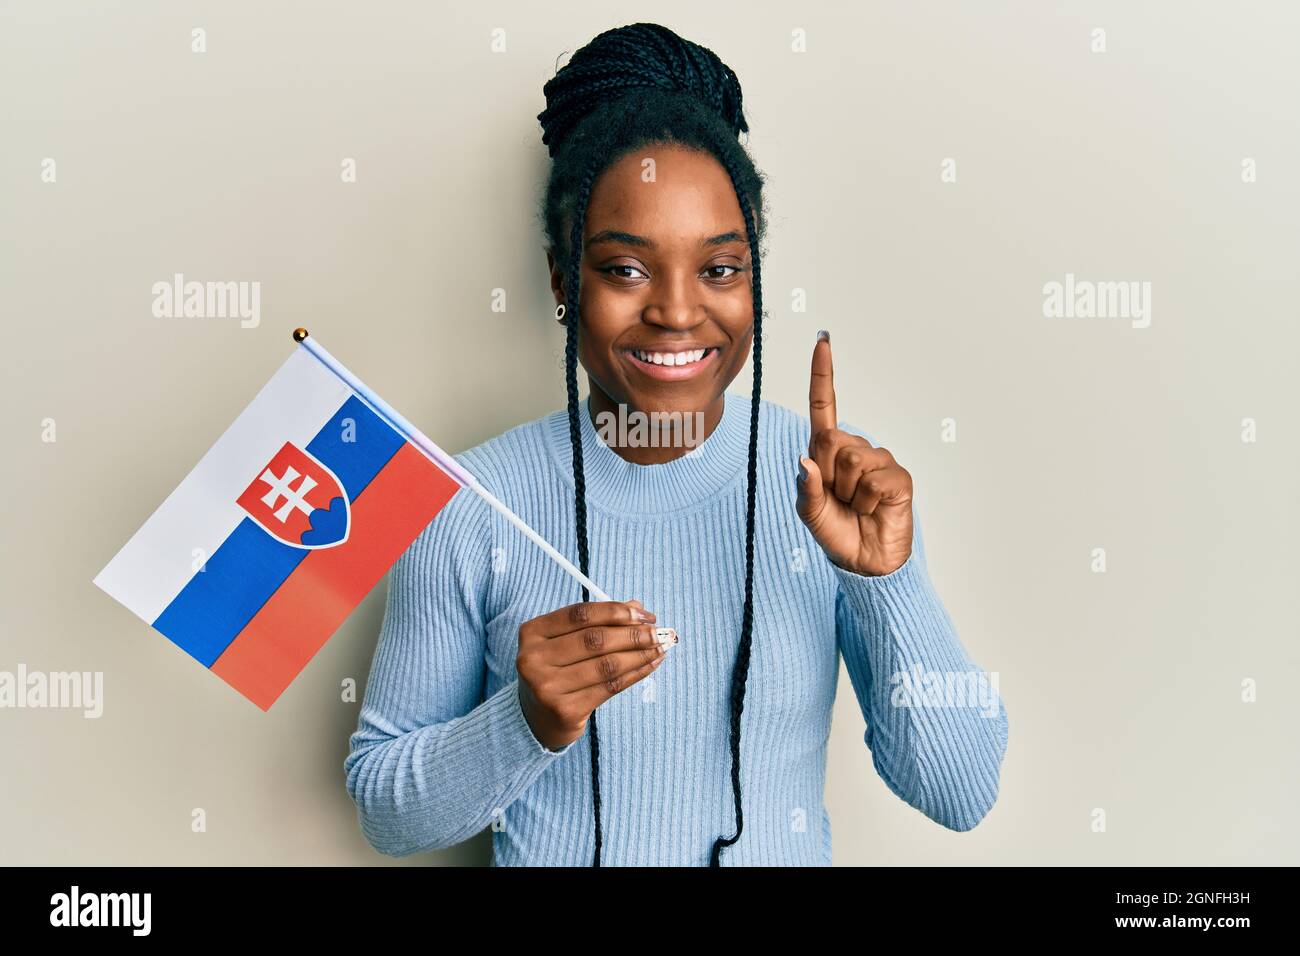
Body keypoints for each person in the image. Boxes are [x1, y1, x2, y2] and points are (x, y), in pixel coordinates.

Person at [344, 21, 1008, 867]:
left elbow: (960, 792)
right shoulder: (470, 504)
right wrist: (524, 720)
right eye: (625, 269)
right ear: (562, 282)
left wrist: (884, 580)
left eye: (720, 269)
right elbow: (386, 813)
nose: (677, 311)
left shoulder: (831, 482)